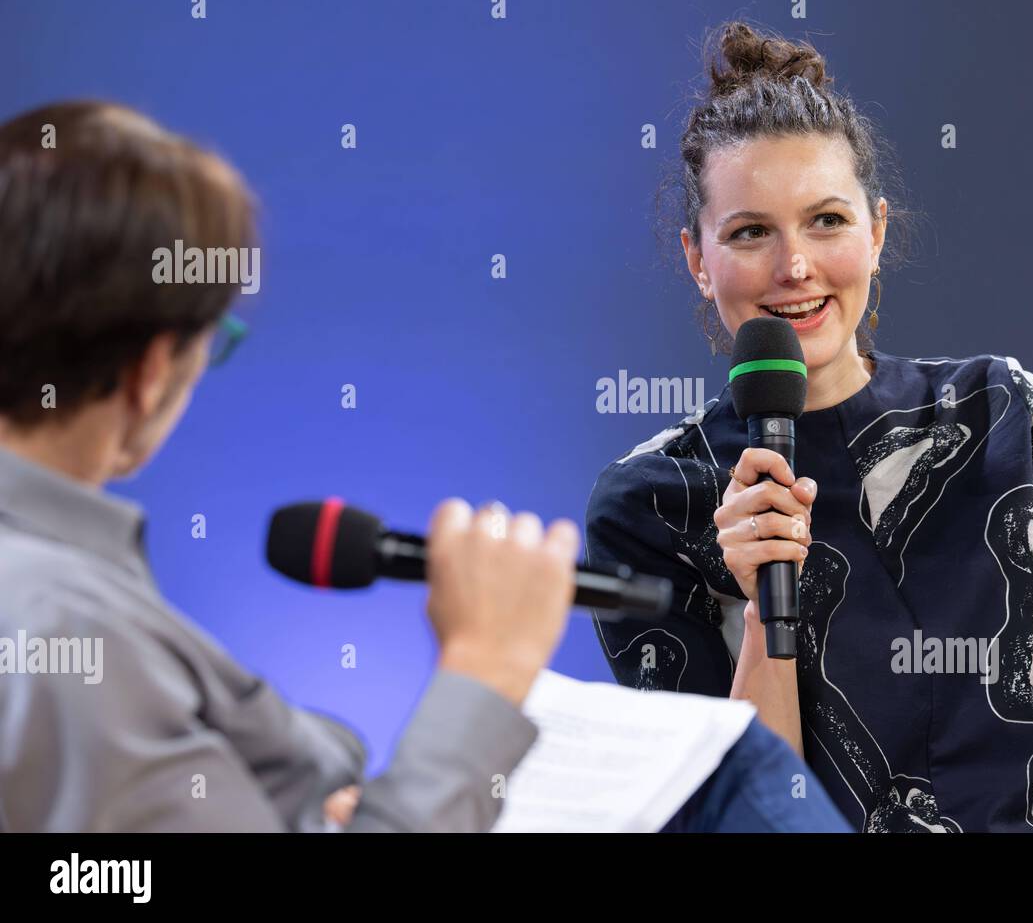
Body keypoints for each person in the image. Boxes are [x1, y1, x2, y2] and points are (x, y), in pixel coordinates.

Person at [0, 99, 853, 833]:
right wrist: (481, 667)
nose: (795, 265)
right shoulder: (61, 628)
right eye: (212, 343)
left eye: (828, 219)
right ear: (153, 371)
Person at [586, 21, 1033, 833]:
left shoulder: (997, 404)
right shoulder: (651, 502)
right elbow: (755, 820)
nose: (795, 265)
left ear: (878, 230)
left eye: (826, 220)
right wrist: (763, 610)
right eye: (751, 232)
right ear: (698, 257)